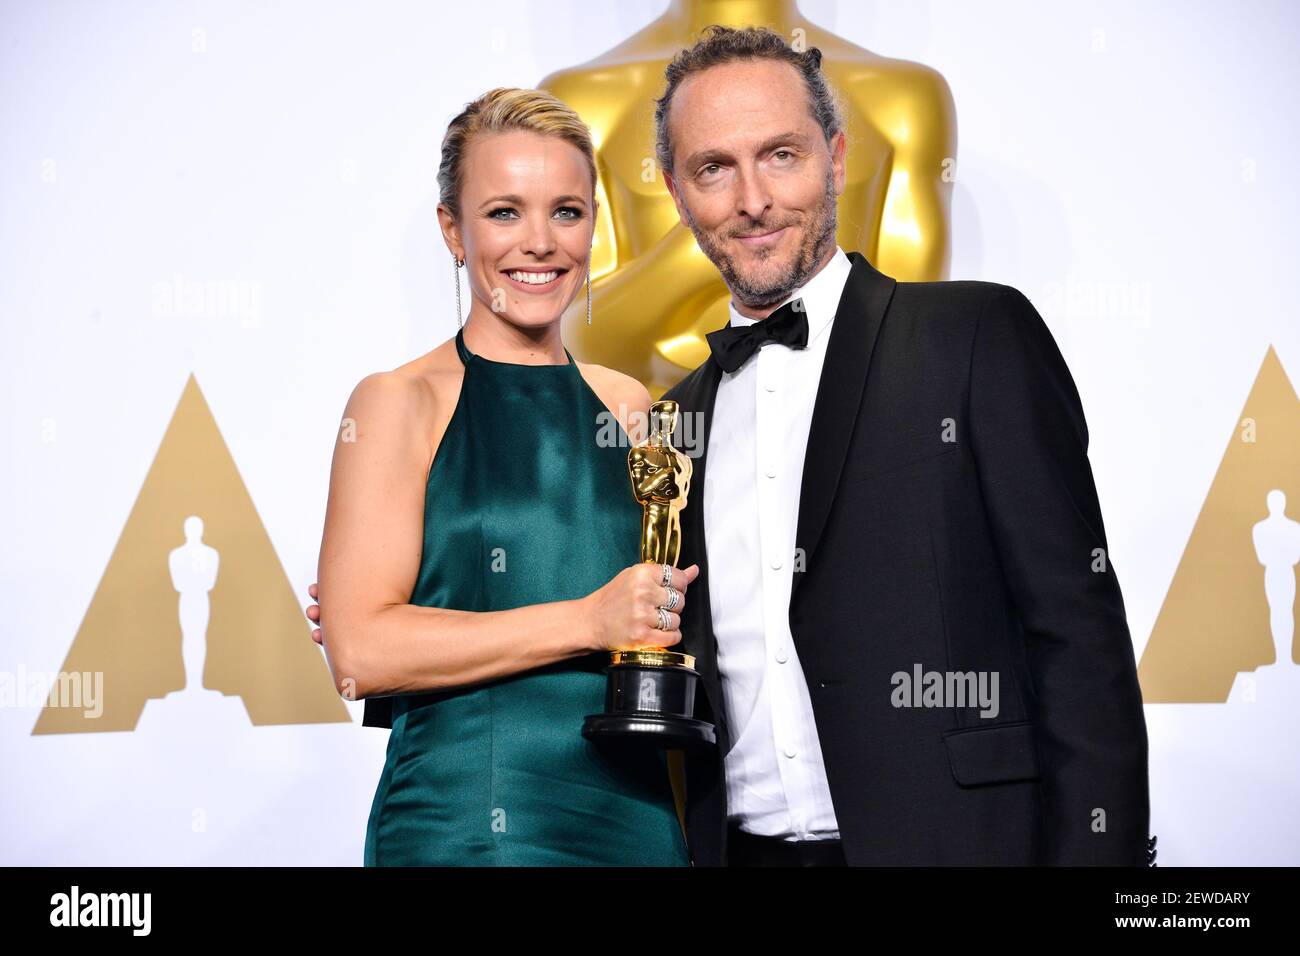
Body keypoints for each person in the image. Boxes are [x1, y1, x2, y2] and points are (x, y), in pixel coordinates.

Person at [647, 26, 1151, 866]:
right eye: (713, 169)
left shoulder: (976, 336)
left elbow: (1079, 638)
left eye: (781, 155)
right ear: (674, 190)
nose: (753, 200)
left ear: (836, 159)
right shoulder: (673, 426)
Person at [311, 87, 694, 866]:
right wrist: (588, 620)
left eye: (566, 211)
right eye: (503, 212)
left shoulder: (628, 406)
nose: (540, 244)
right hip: (467, 826)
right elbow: (358, 654)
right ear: (453, 230)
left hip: (638, 819)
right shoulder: (397, 402)